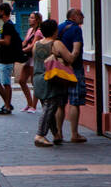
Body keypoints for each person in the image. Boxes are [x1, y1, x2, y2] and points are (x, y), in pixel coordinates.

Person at [32, 18, 76, 147]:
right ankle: (40, 135)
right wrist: (75, 50)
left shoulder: (37, 44)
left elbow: (36, 60)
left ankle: (56, 135)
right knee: (50, 108)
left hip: (38, 78)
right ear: (55, 31)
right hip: (51, 79)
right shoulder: (56, 44)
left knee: (48, 109)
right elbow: (70, 58)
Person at [57, 8, 87, 142]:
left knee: (60, 103)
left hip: (59, 69)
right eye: (81, 15)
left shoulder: (59, 27)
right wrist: (71, 61)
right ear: (74, 16)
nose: (83, 17)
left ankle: (58, 133)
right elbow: (76, 50)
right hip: (74, 69)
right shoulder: (76, 29)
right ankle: (74, 134)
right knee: (74, 102)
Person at [0, 3, 21, 115]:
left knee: (6, 83)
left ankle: (7, 106)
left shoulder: (8, 25)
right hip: (1, 59)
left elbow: (7, 42)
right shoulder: (5, 25)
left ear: (3, 12)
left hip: (6, 59)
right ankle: (7, 103)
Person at [16, 12, 42, 112]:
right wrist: (20, 47)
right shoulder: (30, 30)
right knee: (22, 80)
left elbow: (33, 45)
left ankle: (34, 106)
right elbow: (25, 42)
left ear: (37, 20)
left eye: (31, 18)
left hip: (35, 58)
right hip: (28, 58)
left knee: (34, 82)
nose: (29, 19)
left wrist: (22, 50)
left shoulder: (39, 32)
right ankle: (29, 103)